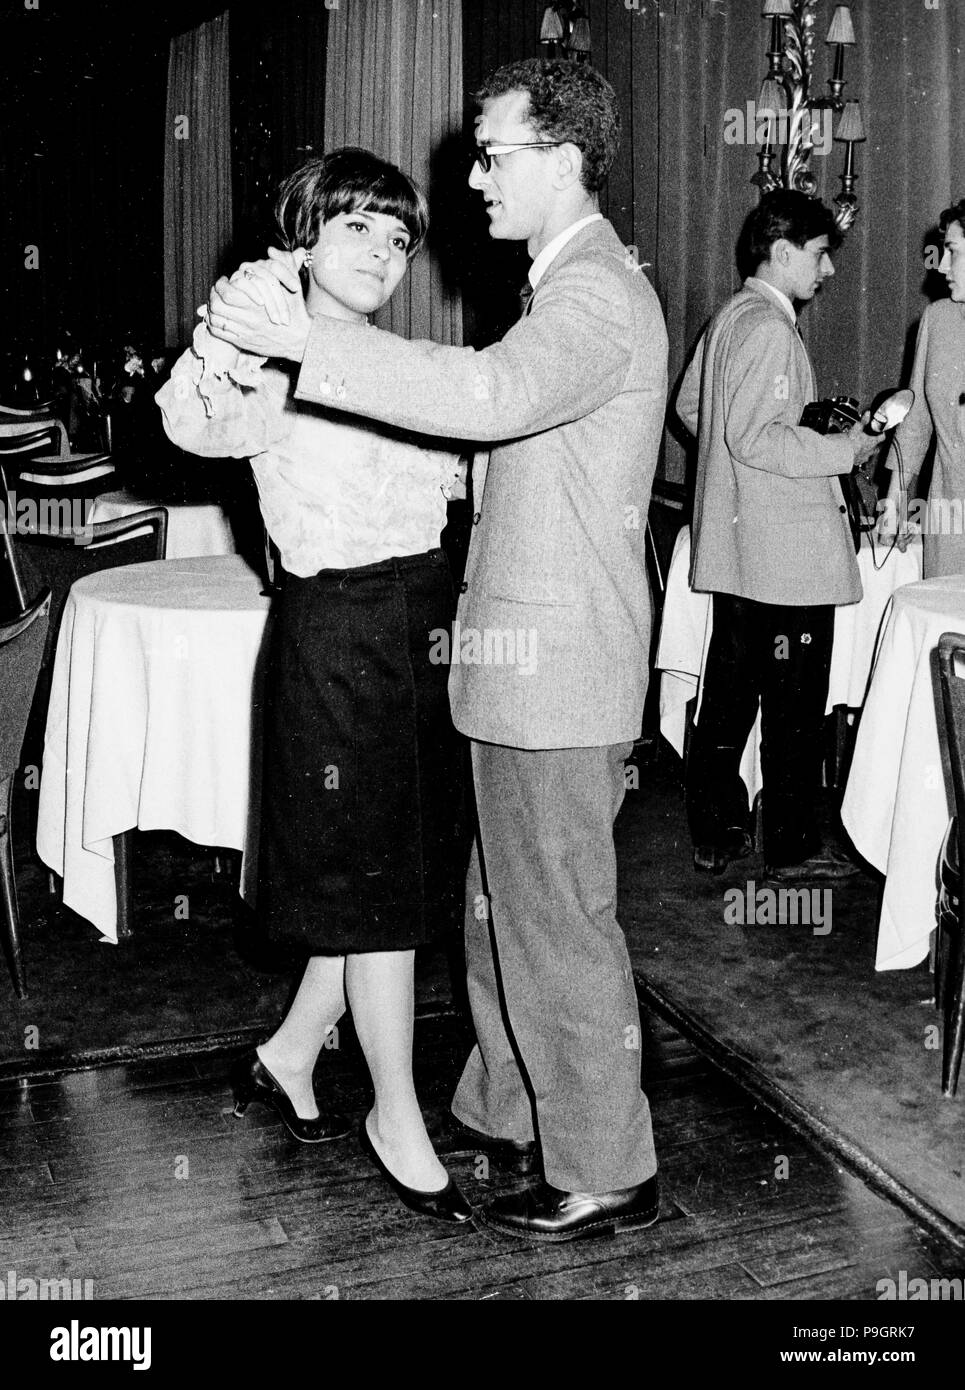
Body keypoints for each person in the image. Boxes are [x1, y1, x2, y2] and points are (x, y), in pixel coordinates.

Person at [206, 59, 667, 1243]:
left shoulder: (595, 295)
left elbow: (490, 394)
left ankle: (607, 1163)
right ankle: (508, 1107)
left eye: (491, 154)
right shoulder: (560, 284)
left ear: (560, 162)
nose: (471, 177)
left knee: (555, 920)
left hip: (556, 670)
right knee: (496, 912)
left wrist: (312, 338)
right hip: (513, 663)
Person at [157, 148, 473, 1226]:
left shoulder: (396, 358)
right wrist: (230, 324)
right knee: (375, 888)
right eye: (358, 229)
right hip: (335, 629)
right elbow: (188, 423)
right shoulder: (264, 340)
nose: (385, 253)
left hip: (423, 621)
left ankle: (293, 1050)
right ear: (304, 231)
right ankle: (396, 1113)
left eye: (398, 239)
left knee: (380, 871)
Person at [677, 190, 880, 882]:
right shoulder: (768, 327)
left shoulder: (729, 317)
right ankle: (791, 847)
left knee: (728, 696)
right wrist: (839, 449)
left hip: (740, 554)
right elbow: (751, 434)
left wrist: (738, 481)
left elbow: (693, 409)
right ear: (784, 250)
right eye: (821, 255)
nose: (826, 272)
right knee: (793, 710)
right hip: (784, 557)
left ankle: (716, 831)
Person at [879, 199, 965, 577]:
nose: (941, 265)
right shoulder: (938, 319)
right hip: (948, 522)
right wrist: (896, 501)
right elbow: (915, 423)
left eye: (953, 252)